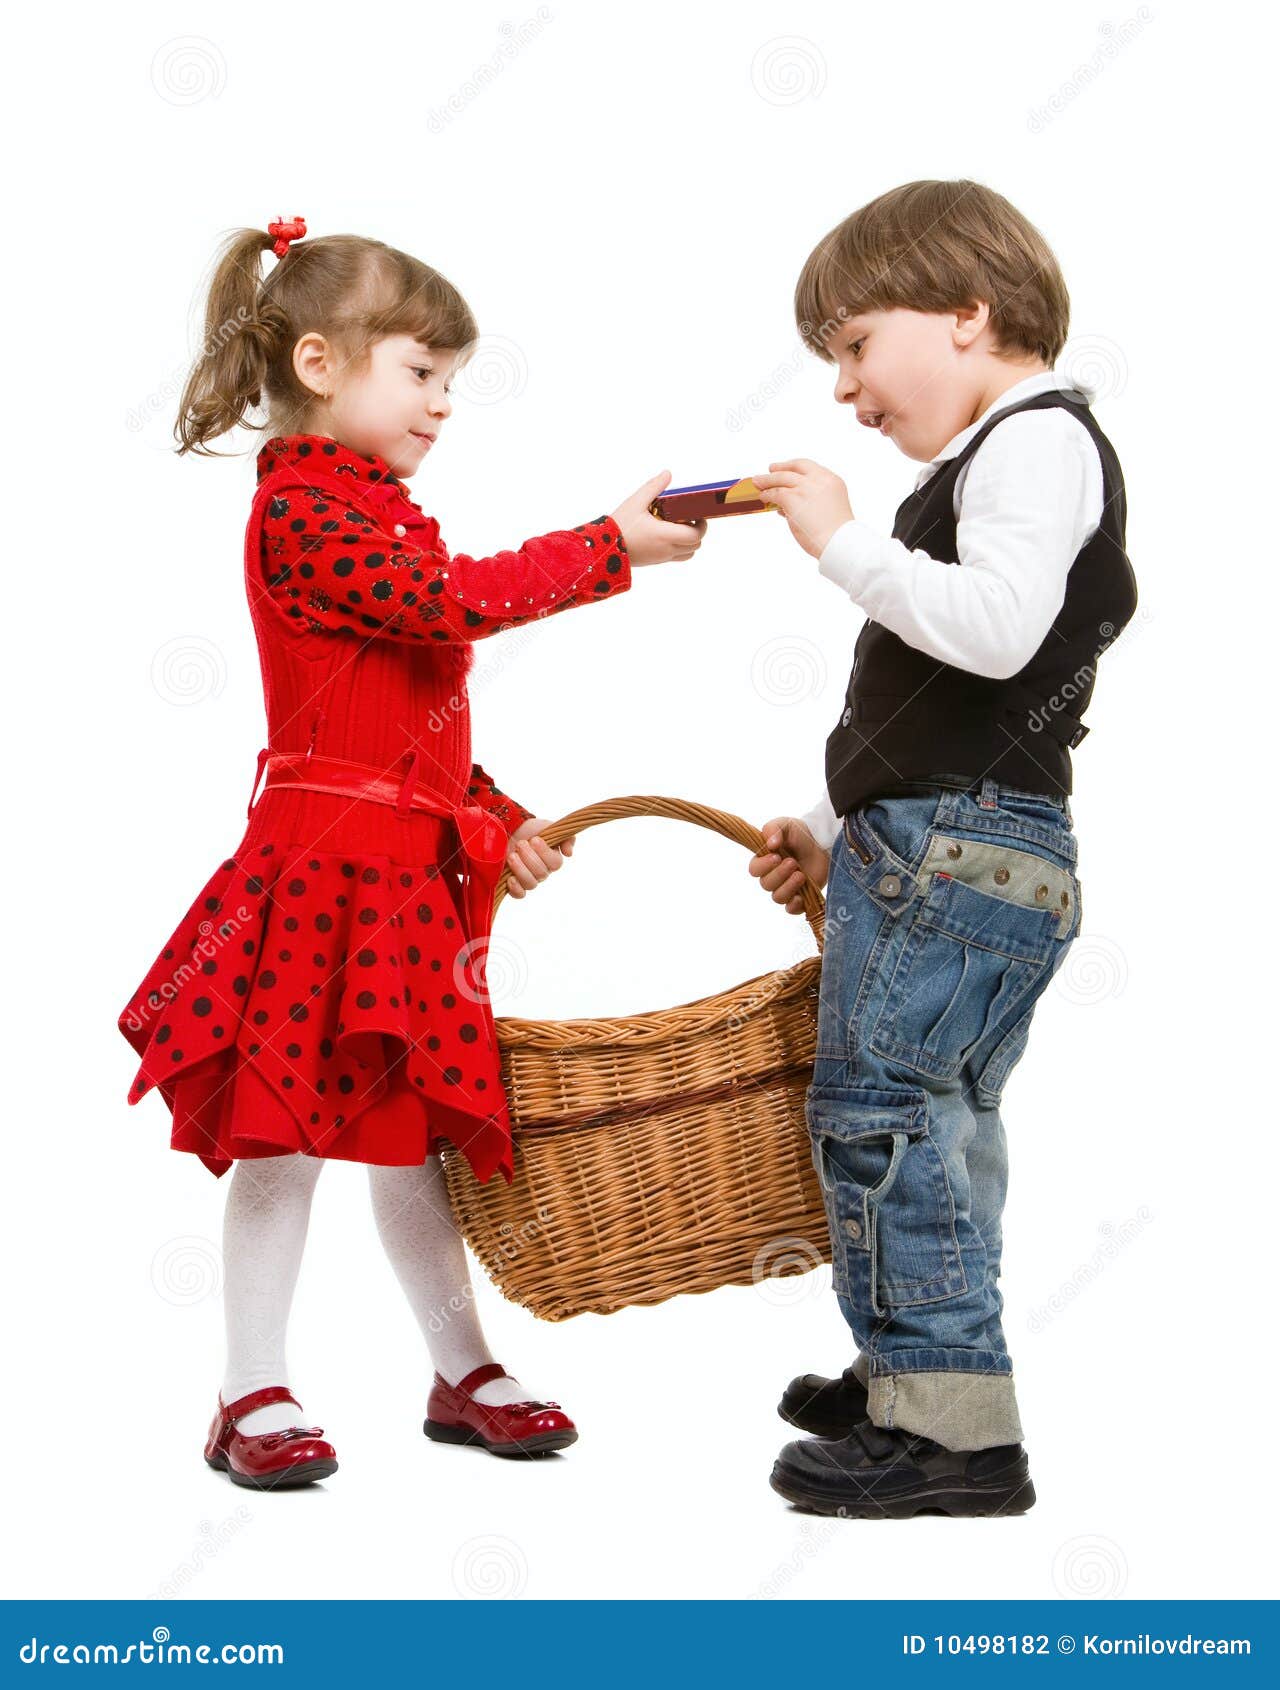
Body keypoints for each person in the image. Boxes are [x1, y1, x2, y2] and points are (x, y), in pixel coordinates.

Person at [118, 216, 704, 1489]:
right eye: (421, 371)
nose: (442, 402)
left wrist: (491, 815)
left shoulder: (378, 514)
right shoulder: (302, 513)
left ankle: (460, 1368)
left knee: (411, 1133)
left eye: (451, 379)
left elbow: (407, 717)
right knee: (282, 1140)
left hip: (397, 884)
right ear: (319, 363)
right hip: (313, 878)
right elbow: (447, 608)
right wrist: (605, 547)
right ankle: (249, 1388)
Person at [747, 179, 1137, 1518]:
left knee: (883, 1116)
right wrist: (825, 825)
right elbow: (927, 705)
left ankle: (952, 1433)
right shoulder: (1006, 457)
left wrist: (840, 542)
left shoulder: (1034, 442)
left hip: (955, 850)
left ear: (967, 313)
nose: (844, 388)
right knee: (936, 1121)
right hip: (959, 841)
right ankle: (917, 1370)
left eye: (856, 344)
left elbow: (994, 632)